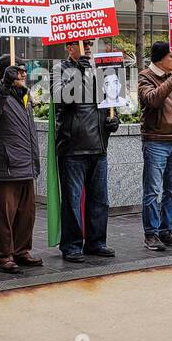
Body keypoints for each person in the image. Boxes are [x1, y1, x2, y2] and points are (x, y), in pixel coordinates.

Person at [53, 40, 119, 263]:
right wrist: (78, 74)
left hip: (98, 146)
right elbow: (61, 99)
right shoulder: (60, 69)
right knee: (72, 201)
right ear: (69, 48)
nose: (88, 47)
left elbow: (109, 102)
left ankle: (96, 241)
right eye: (82, 43)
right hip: (73, 147)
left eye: (90, 43)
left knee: (99, 199)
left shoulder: (99, 70)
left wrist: (114, 120)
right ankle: (71, 245)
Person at [0, 54, 42, 274]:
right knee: (5, 215)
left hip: (26, 163)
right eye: (19, 70)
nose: (24, 74)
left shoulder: (24, 95)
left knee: (27, 213)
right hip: (6, 166)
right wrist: (4, 84)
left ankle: (21, 250)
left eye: (25, 70)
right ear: (6, 73)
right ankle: (3, 255)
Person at [137, 41, 172, 251]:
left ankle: (166, 230)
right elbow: (152, 100)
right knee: (152, 190)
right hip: (156, 140)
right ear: (160, 59)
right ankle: (151, 234)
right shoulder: (145, 77)